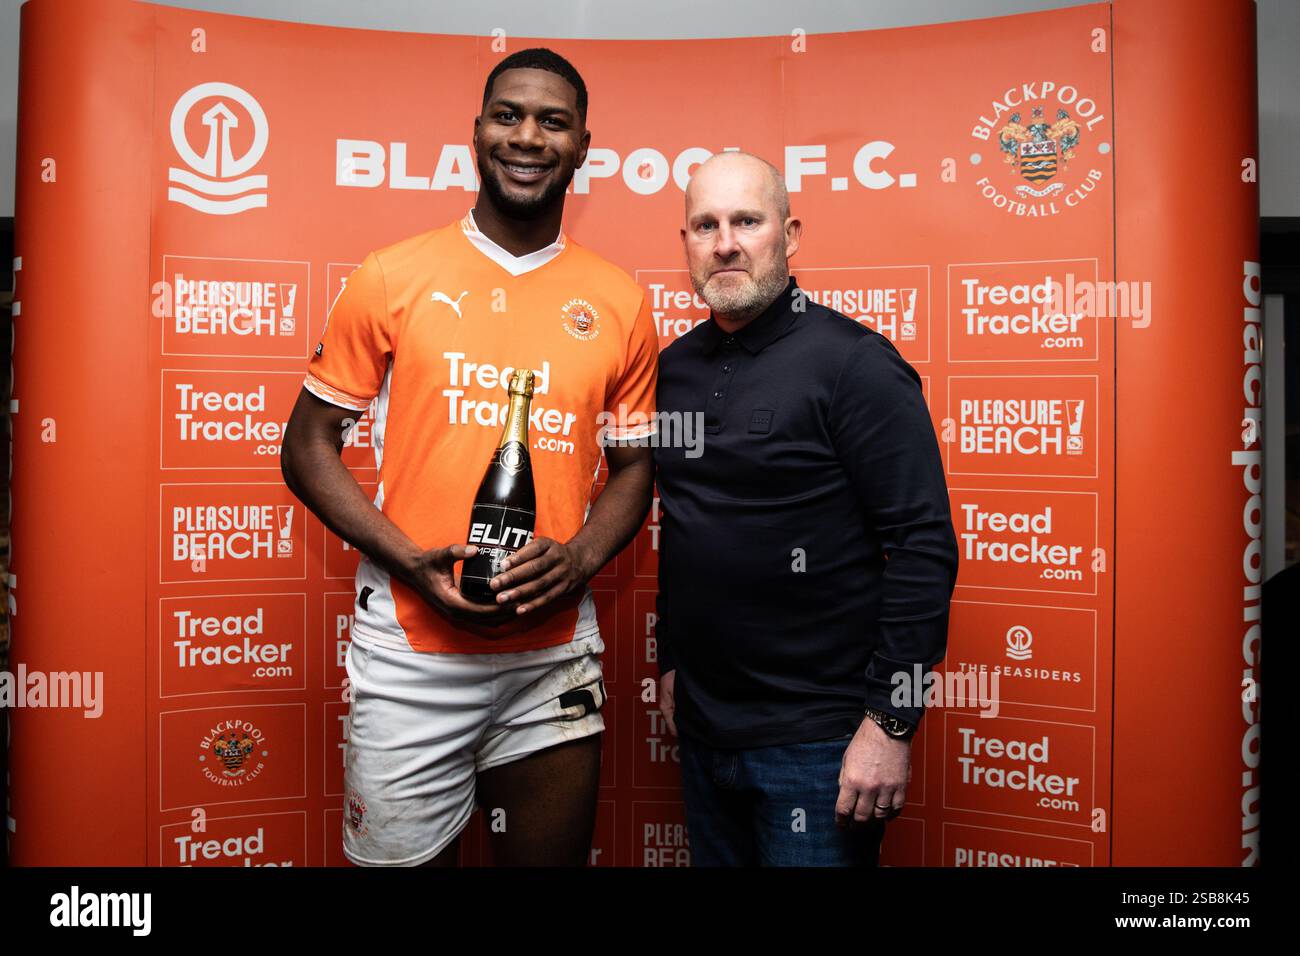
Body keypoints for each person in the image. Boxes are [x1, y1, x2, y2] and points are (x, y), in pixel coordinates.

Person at [281, 48, 657, 867]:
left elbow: (634, 467)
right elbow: (306, 445)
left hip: (551, 656)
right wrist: (412, 563)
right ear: (477, 133)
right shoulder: (391, 276)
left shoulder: (621, 300)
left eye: (553, 121)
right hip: (411, 656)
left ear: (584, 146)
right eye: (509, 115)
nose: (528, 137)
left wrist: (583, 557)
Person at [653, 151, 959, 866]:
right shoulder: (672, 369)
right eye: (705, 224)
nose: (725, 241)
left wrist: (891, 723)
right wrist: (670, 658)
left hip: (821, 743)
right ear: (687, 245)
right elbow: (686, 523)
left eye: (747, 221)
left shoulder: (854, 364)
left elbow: (924, 546)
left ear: (788, 236)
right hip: (703, 734)